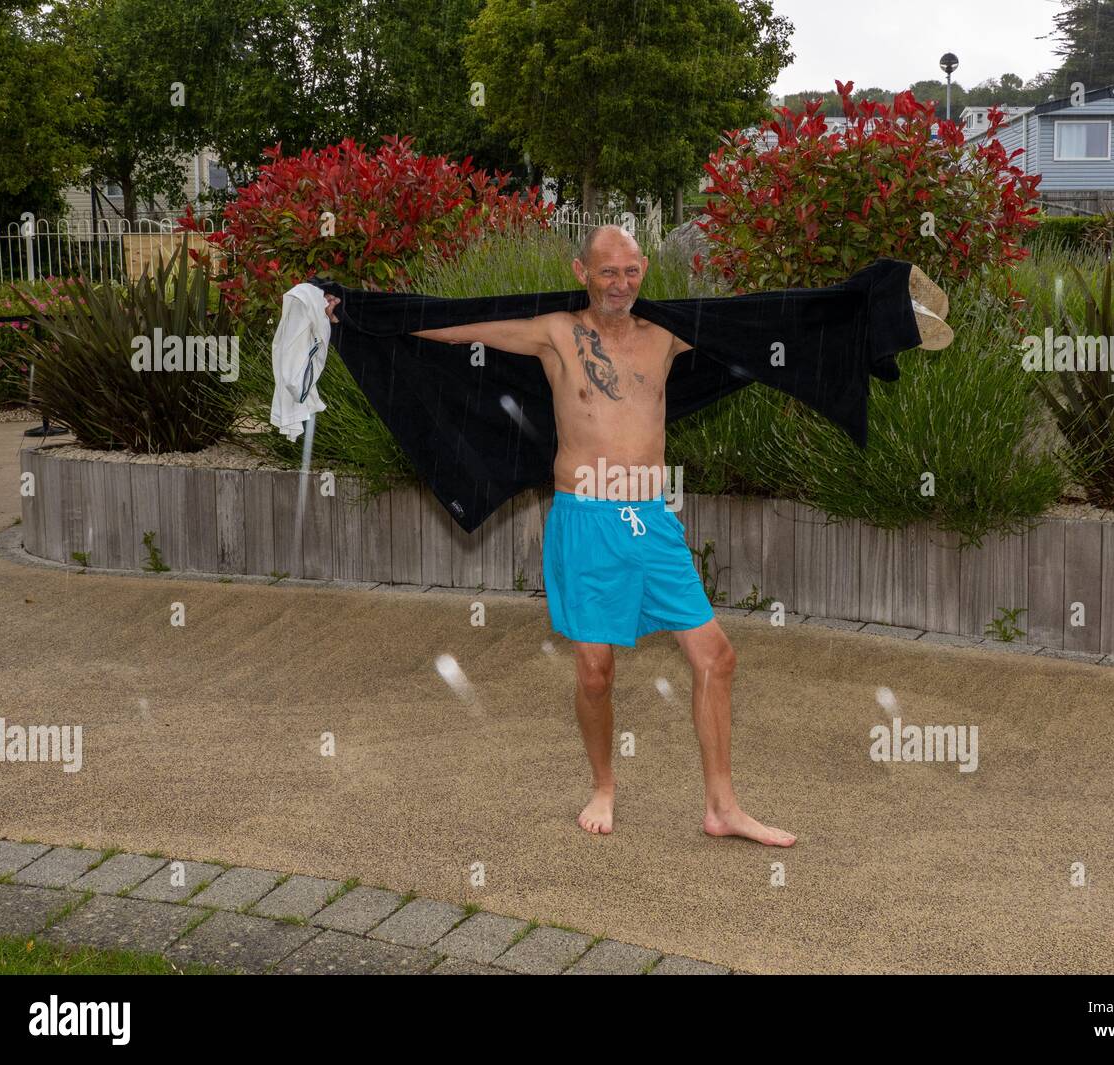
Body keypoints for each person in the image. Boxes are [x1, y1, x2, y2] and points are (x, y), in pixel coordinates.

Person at [324, 224, 803, 843]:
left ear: (645, 269)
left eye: (631, 272)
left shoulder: (667, 335)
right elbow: (457, 324)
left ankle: (722, 807)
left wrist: (866, 317)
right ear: (582, 272)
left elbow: (768, 322)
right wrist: (352, 312)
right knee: (595, 671)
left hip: (651, 521)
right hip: (585, 519)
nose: (620, 285)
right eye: (607, 272)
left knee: (717, 655)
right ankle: (603, 786)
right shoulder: (556, 333)